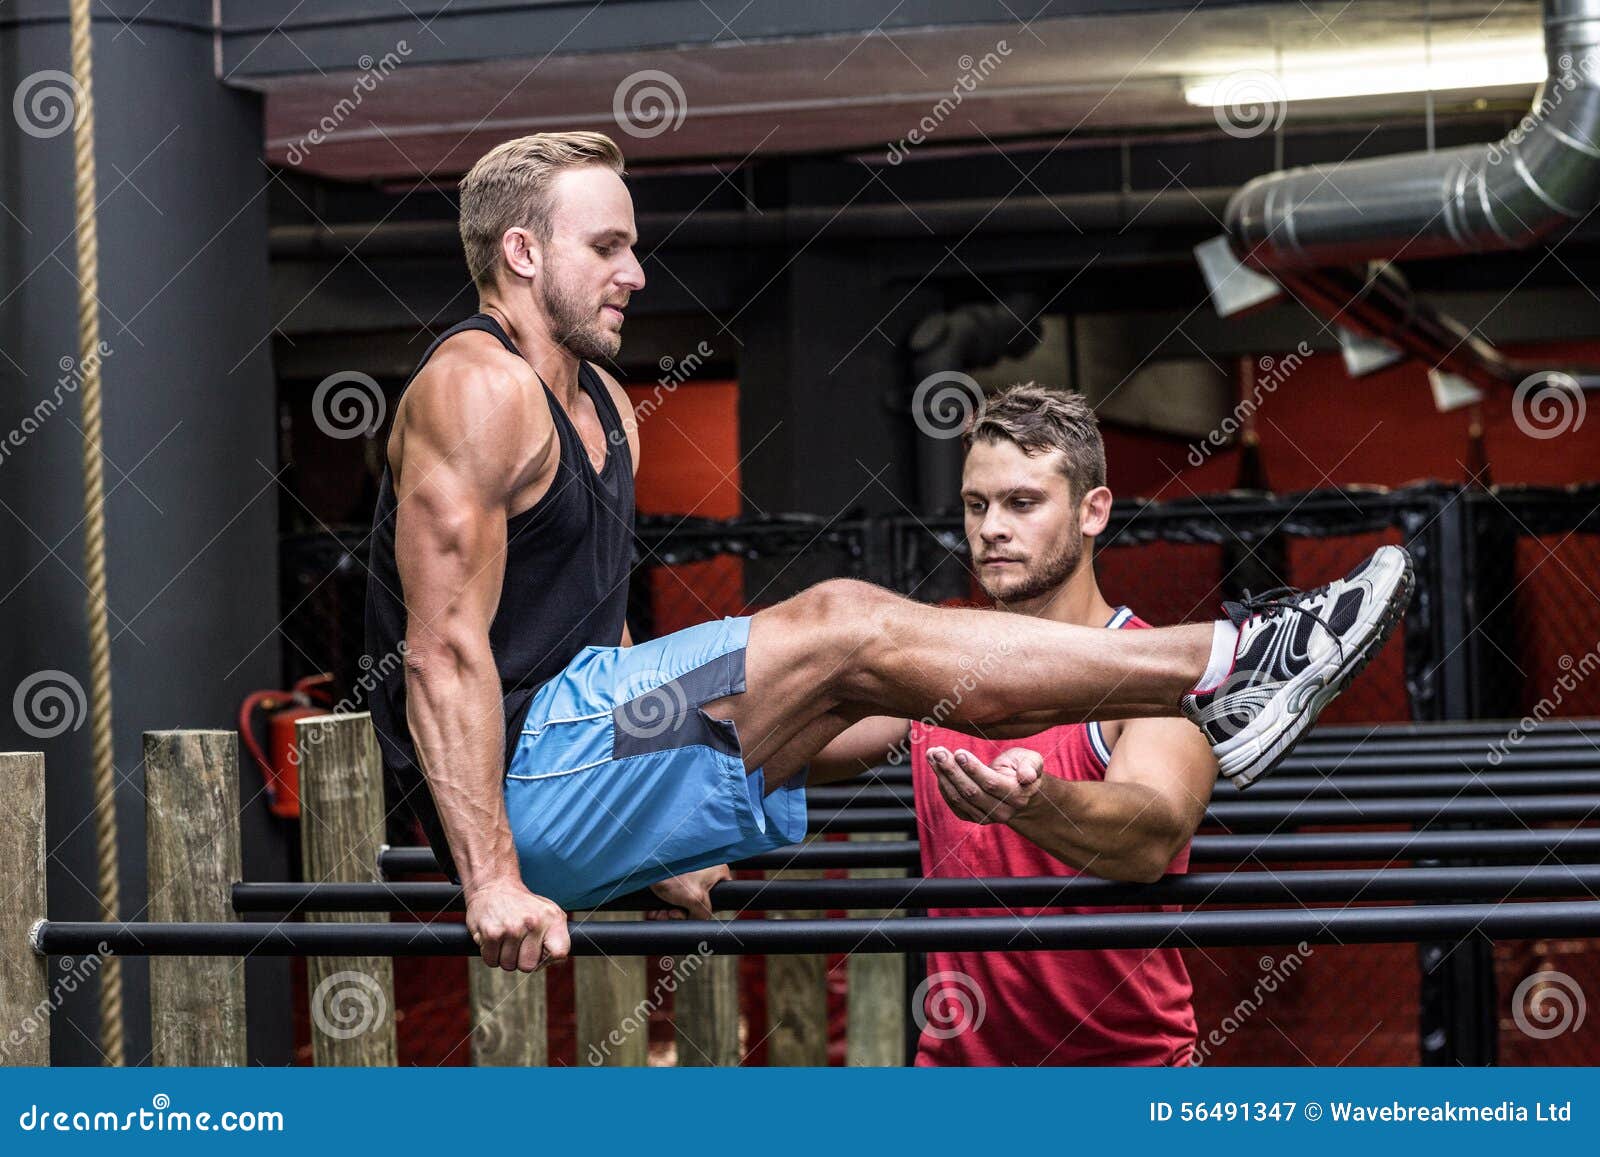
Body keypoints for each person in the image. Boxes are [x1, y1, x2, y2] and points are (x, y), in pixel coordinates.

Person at [361, 130, 1414, 976]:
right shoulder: (476, 387)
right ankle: (1230, 660)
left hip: (584, 750)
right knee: (843, 623)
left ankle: (1216, 686)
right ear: (523, 253)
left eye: (633, 246)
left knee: (865, 681)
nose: (635, 272)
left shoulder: (602, 405)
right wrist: (489, 879)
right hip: (509, 790)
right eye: (607, 248)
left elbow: (602, 639)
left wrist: (649, 834)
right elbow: (442, 653)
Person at [812, 383, 1216, 1064]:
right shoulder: (935, 669)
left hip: (1127, 1076)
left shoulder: (1150, 670)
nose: (991, 528)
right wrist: (681, 833)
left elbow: (1150, 834)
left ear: (1093, 511)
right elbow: (787, 751)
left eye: (1022, 503)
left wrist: (1036, 803)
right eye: (977, 505)